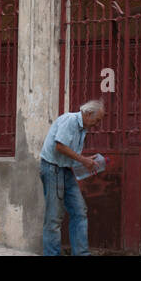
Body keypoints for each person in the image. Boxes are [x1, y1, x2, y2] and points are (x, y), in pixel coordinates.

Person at [39, 99, 104, 256]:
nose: (97, 124)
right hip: (52, 168)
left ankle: (81, 253)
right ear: (88, 114)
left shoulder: (82, 128)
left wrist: (86, 160)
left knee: (79, 211)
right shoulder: (70, 121)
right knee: (54, 218)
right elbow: (60, 146)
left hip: (65, 170)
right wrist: (83, 160)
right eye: (97, 120)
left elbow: (69, 153)